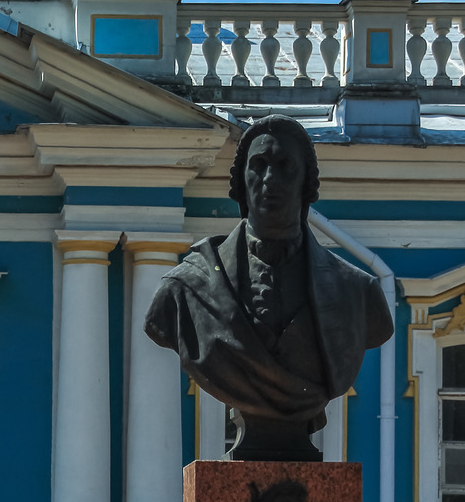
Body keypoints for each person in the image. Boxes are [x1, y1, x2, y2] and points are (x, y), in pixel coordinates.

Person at [144, 114, 393, 460]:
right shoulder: (185, 289)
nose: (270, 178)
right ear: (241, 182)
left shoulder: (357, 293)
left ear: (307, 182)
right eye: (258, 165)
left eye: (285, 165)